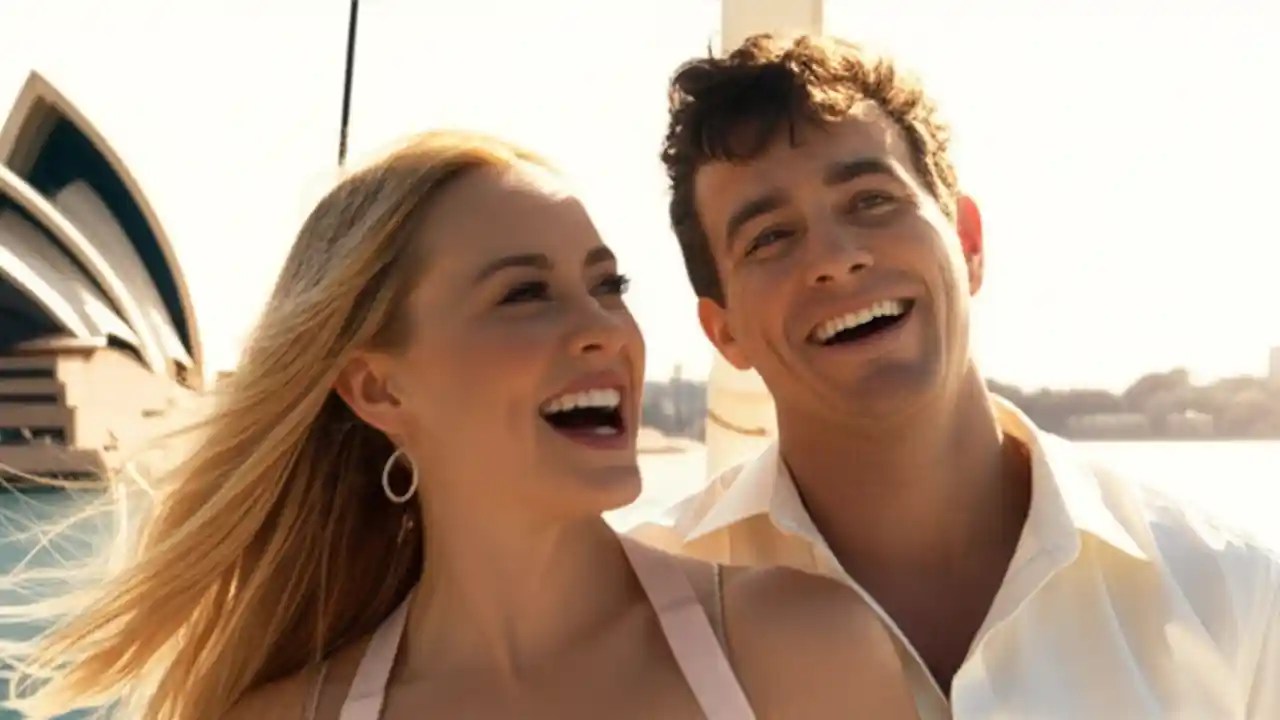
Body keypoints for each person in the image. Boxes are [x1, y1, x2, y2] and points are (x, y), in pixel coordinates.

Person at [10, 130, 918, 720]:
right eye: (524, 294)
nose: (603, 328)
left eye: (608, 285)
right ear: (376, 389)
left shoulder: (799, 653)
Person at [631, 33, 1280, 718]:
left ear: (968, 243)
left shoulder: (1227, 593)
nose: (836, 258)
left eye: (871, 201)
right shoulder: (642, 622)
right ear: (724, 331)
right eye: (769, 238)